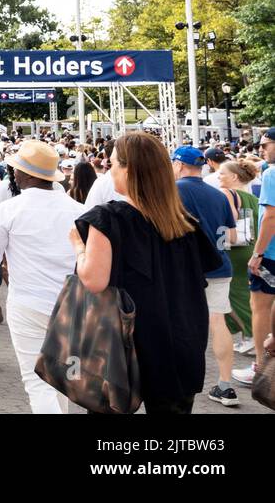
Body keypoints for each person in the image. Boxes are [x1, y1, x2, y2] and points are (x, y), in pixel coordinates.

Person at [71, 133, 223, 413]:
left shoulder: (108, 218)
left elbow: (93, 280)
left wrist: (79, 247)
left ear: (130, 169)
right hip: (181, 337)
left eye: (113, 162)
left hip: (123, 343)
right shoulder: (183, 221)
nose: (109, 168)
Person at [0, 141, 82, 413]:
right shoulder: (78, 210)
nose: (13, 174)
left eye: (17, 170)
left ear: (30, 175)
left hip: (28, 303)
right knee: (62, 379)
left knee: (36, 380)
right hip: (72, 305)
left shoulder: (10, 209)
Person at [171, 145, 239, 406]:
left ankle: (181, 379)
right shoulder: (219, 194)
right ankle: (225, 384)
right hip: (220, 266)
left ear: (178, 165)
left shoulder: (175, 191)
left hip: (188, 270)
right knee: (217, 322)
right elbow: (230, 236)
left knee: (182, 326)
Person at [235, 127, 275, 387]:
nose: (261, 149)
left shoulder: (271, 174)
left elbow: (271, 216)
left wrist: (257, 253)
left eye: (266, 144)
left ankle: (260, 366)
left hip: (271, 253)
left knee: (259, 307)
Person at [218, 159, 261, 358]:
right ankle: (250, 336)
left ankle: (251, 336)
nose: (219, 177)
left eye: (222, 174)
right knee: (244, 294)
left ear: (234, 177)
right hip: (250, 247)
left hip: (234, 249)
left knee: (234, 296)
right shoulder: (251, 196)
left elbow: (229, 217)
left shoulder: (228, 193)